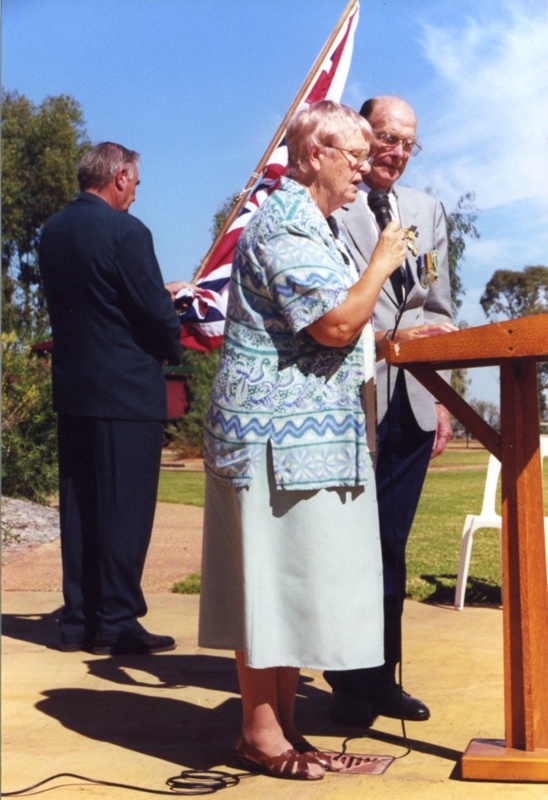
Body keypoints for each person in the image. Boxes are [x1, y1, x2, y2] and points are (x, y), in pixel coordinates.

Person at [198, 101, 408, 781]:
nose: (364, 170)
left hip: (299, 441)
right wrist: (383, 262)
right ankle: (258, 735)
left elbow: (339, 325)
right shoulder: (286, 223)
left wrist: (392, 328)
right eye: (356, 156)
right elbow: (334, 325)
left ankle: (286, 729)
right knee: (266, 586)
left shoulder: (314, 225)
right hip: (268, 441)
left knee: (287, 585)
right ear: (315, 154)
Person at [324, 96, 457, 726]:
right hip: (353, 397)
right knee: (350, 544)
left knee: (392, 545)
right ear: (360, 135)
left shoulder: (428, 210)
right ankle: (348, 681)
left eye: (408, 143)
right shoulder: (334, 204)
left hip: (414, 403)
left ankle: (381, 679)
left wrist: (444, 397)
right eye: (386, 138)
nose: (397, 153)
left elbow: (440, 308)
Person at [39, 142, 182, 655]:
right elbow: (152, 312)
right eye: (135, 184)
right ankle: (118, 623)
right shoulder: (127, 231)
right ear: (119, 177)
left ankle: (78, 621)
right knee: (125, 510)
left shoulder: (53, 231)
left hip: (75, 388)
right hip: (126, 392)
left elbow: (97, 300)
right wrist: (173, 328)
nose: (135, 195)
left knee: (80, 509)